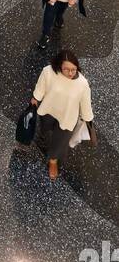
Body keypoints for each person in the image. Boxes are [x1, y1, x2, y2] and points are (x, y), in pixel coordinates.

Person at [31, 49, 94, 180]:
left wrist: (88, 121)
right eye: (66, 69)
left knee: (60, 142)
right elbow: (40, 88)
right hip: (48, 110)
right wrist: (35, 99)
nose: (70, 73)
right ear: (59, 66)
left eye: (74, 69)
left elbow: (86, 105)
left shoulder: (82, 84)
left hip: (67, 117)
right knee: (44, 130)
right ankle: (42, 140)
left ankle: (53, 161)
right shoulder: (48, 72)